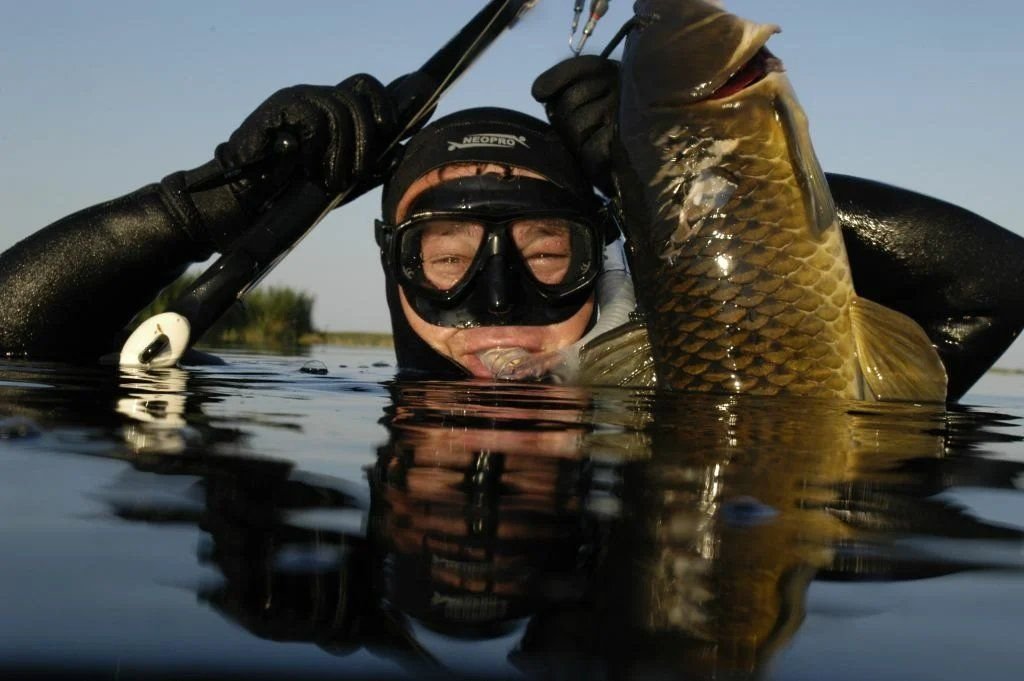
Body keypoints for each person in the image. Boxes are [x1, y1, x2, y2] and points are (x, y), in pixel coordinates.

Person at [0, 58, 1021, 401]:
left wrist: (690, 177)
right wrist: (216, 201)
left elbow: (996, 283)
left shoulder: (699, 393)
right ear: (393, 273)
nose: (499, 305)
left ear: (603, 254)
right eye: (443, 261)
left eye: (545, 256)